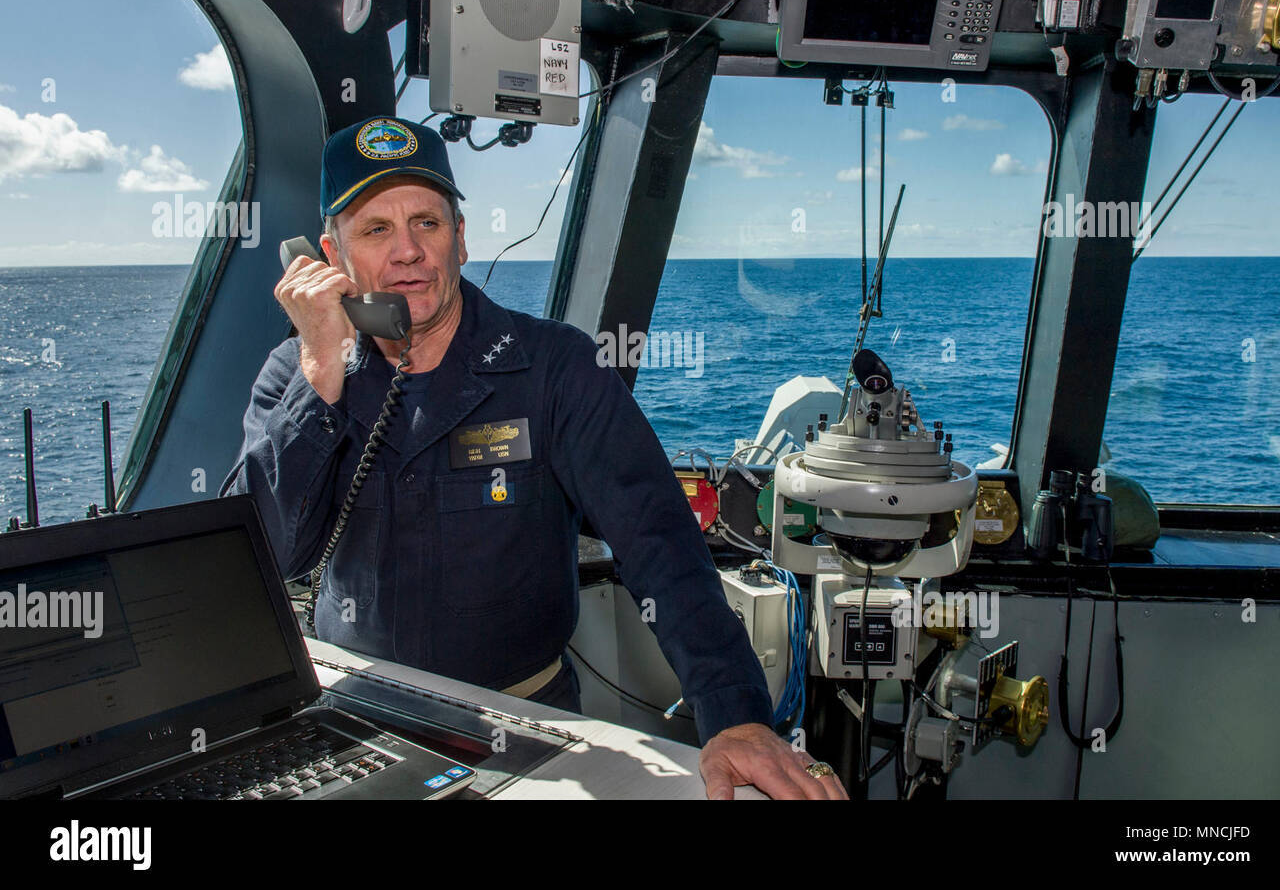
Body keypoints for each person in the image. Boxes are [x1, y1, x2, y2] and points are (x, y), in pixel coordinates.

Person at [223, 115, 847, 799]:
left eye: (427, 224)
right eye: (376, 230)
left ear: (460, 238)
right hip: (362, 719)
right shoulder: (299, 374)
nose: (408, 252)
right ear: (328, 257)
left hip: (524, 723)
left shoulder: (554, 368)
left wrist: (734, 714)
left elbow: (658, 541)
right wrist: (321, 373)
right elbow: (264, 559)